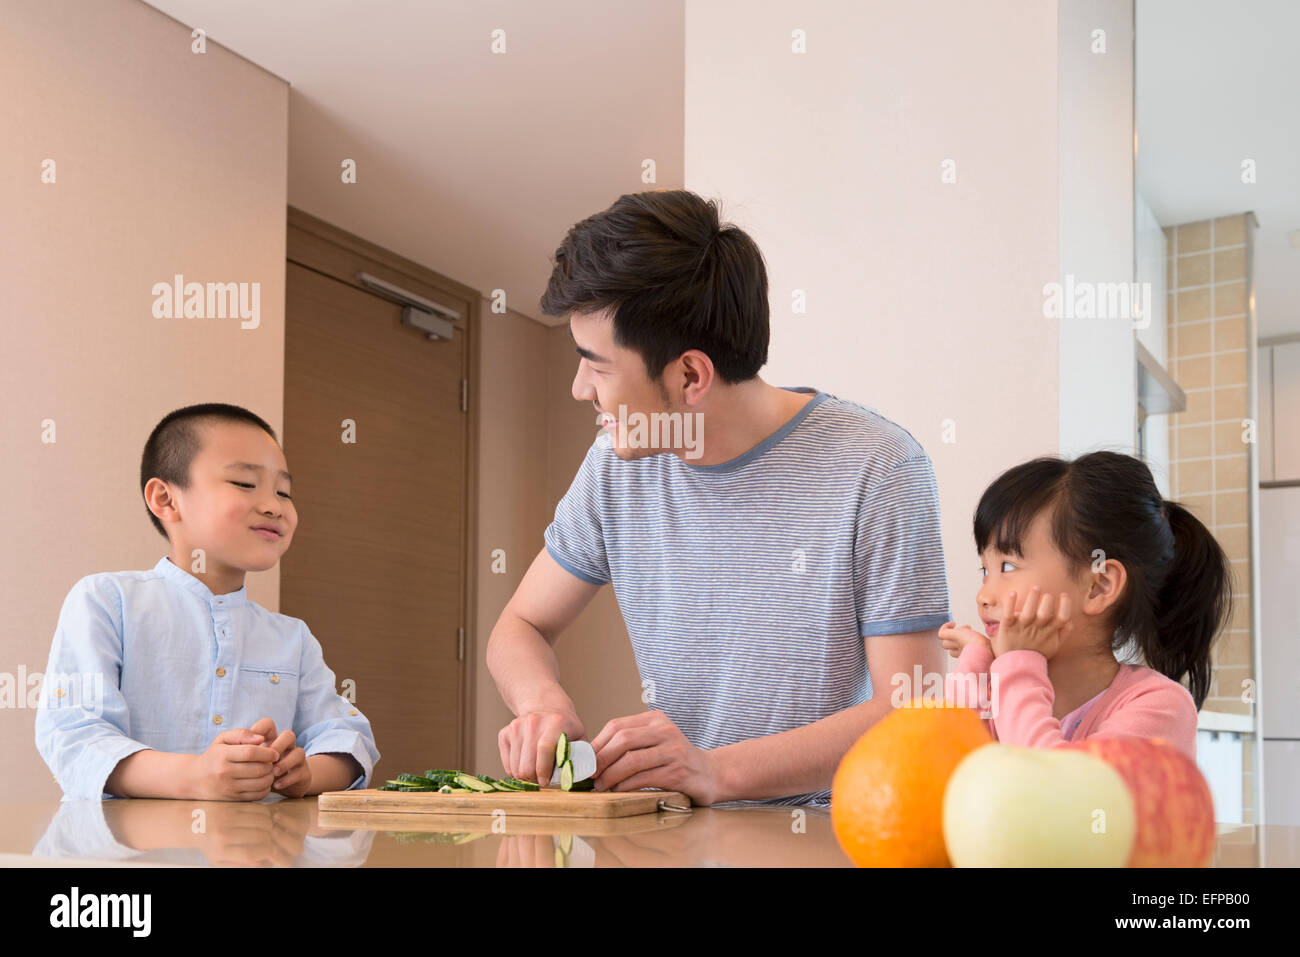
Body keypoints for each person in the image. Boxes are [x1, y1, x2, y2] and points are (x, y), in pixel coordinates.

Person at [487, 189, 951, 807]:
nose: (579, 390)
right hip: (676, 833)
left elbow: (911, 710)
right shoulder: (614, 469)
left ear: (690, 377)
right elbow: (520, 625)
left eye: (597, 368)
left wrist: (715, 771)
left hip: (827, 838)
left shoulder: (879, 465)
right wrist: (541, 703)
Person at [35, 403, 380, 800]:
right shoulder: (107, 602)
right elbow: (74, 735)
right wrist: (196, 774)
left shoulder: (292, 638)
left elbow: (346, 736)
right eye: (245, 484)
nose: (274, 505)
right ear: (165, 499)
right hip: (124, 857)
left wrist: (305, 774)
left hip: (255, 856)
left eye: (284, 492)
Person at [939, 451, 1233, 760]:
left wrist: (1018, 664)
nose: (983, 596)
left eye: (1008, 568)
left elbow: (1057, 794)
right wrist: (977, 660)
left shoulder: (1160, 706)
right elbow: (948, 773)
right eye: (985, 570)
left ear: (1098, 586)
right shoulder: (1004, 690)